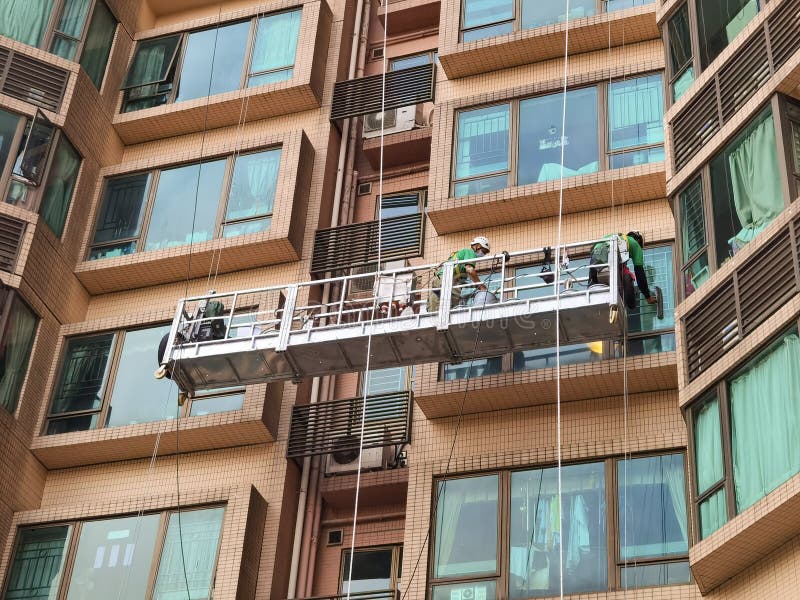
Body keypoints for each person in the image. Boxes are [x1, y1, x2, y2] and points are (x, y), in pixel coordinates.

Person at [589, 231, 658, 310]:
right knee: (625, 278)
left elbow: (595, 248)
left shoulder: (617, 237)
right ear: (639, 240)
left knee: (593, 286)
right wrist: (647, 296)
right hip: (608, 253)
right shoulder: (635, 244)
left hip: (595, 254)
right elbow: (640, 274)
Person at [427, 236, 491, 312]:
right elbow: (470, 270)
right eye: (484, 251)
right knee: (452, 309)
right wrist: (481, 287)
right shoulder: (470, 252)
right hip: (448, 281)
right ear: (477, 246)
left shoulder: (461, 255)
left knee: (434, 309)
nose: (484, 254)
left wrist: (475, 286)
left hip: (439, 281)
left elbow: (462, 281)